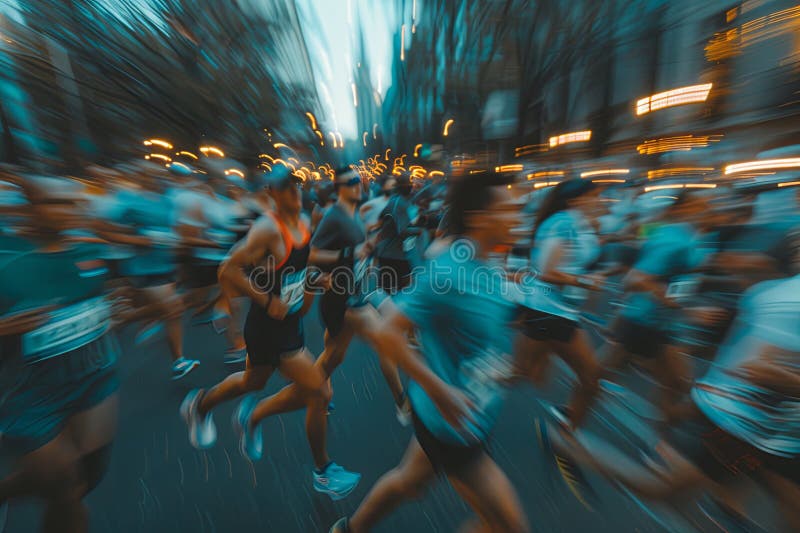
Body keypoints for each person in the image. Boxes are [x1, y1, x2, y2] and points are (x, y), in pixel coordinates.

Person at [330, 171, 530, 533]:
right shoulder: (448, 271)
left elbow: (482, 324)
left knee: (410, 482)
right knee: (511, 525)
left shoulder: (492, 263)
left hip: (466, 414)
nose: (519, 215)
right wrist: (440, 389)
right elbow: (389, 335)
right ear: (480, 218)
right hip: (452, 425)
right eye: (510, 208)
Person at [179, 165, 361, 500]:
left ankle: (203, 406)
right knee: (320, 392)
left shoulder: (305, 222)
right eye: (287, 187)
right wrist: (265, 300)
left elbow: (298, 269)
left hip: (289, 322)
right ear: (271, 193)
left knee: (253, 382)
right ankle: (323, 471)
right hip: (268, 327)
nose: (295, 191)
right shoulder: (266, 229)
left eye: (297, 185)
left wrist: (316, 282)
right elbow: (227, 270)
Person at [0, 174, 125, 533]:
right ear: (30, 211)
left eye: (72, 202)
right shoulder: (8, 263)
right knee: (67, 491)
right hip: (32, 396)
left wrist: (116, 309)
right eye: (56, 203)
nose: (68, 211)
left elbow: (108, 297)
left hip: (96, 378)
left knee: (88, 478)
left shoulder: (90, 250)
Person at [513, 179, 605, 429]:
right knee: (590, 378)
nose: (600, 201)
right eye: (594, 196)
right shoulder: (563, 223)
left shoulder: (579, 223)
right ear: (575, 200)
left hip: (558, 310)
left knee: (527, 374)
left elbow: (571, 263)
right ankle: (569, 430)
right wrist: (585, 281)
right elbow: (546, 271)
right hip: (548, 310)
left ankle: (568, 424)